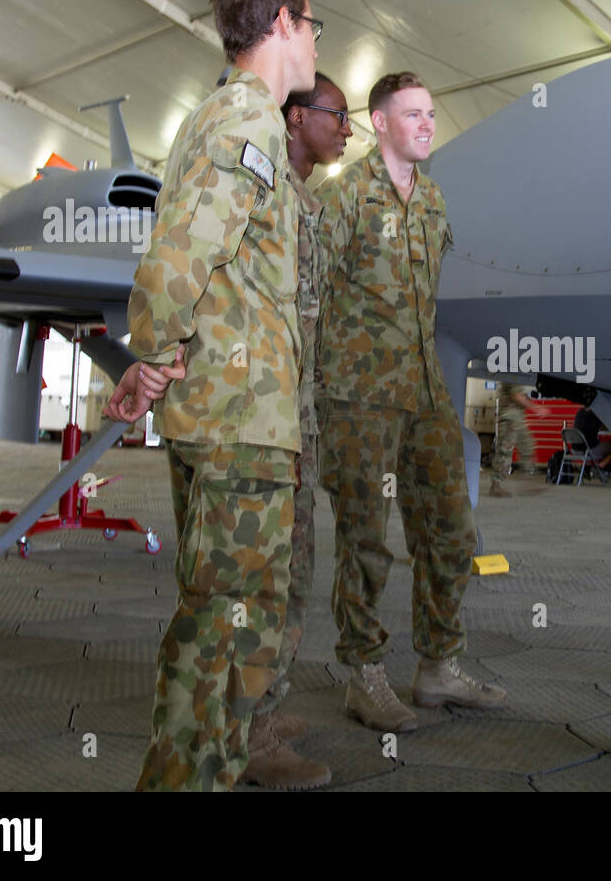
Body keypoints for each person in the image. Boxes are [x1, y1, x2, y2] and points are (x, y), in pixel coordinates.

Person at [105, 0, 321, 791]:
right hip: (240, 426)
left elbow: (195, 259)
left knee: (217, 624)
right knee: (227, 632)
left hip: (224, 417)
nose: (310, 44)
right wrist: (154, 354)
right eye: (310, 26)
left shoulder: (211, 116)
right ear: (281, 24)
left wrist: (155, 364)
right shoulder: (249, 121)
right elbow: (175, 263)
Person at [316, 71, 506, 733]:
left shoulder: (432, 202)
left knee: (452, 529)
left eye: (431, 113)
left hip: (425, 394)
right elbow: (307, 292)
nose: (428, 124)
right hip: (359, 397)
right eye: (413, 114)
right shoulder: (342, 200)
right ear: (379, 122)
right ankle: (364, 676)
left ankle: (437, 669)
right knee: (366, 538)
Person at [238, 72, 352, 789]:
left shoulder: (307, 200)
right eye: (338, 115)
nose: (347, 129)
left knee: (294, 572)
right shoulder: (263, 186)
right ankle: (246, 736)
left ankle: (263, 709)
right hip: (261, 421)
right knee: (263, 577)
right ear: (297, 115)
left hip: (296, 420)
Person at [489, 381, 549, 496]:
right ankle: (495, 485)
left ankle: (530, 482)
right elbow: (516, 396)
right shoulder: (513, 371)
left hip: (518, 418)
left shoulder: (520, 373)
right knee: (505, 453)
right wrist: (536, 408)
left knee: (528, 447)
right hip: (509, 418)